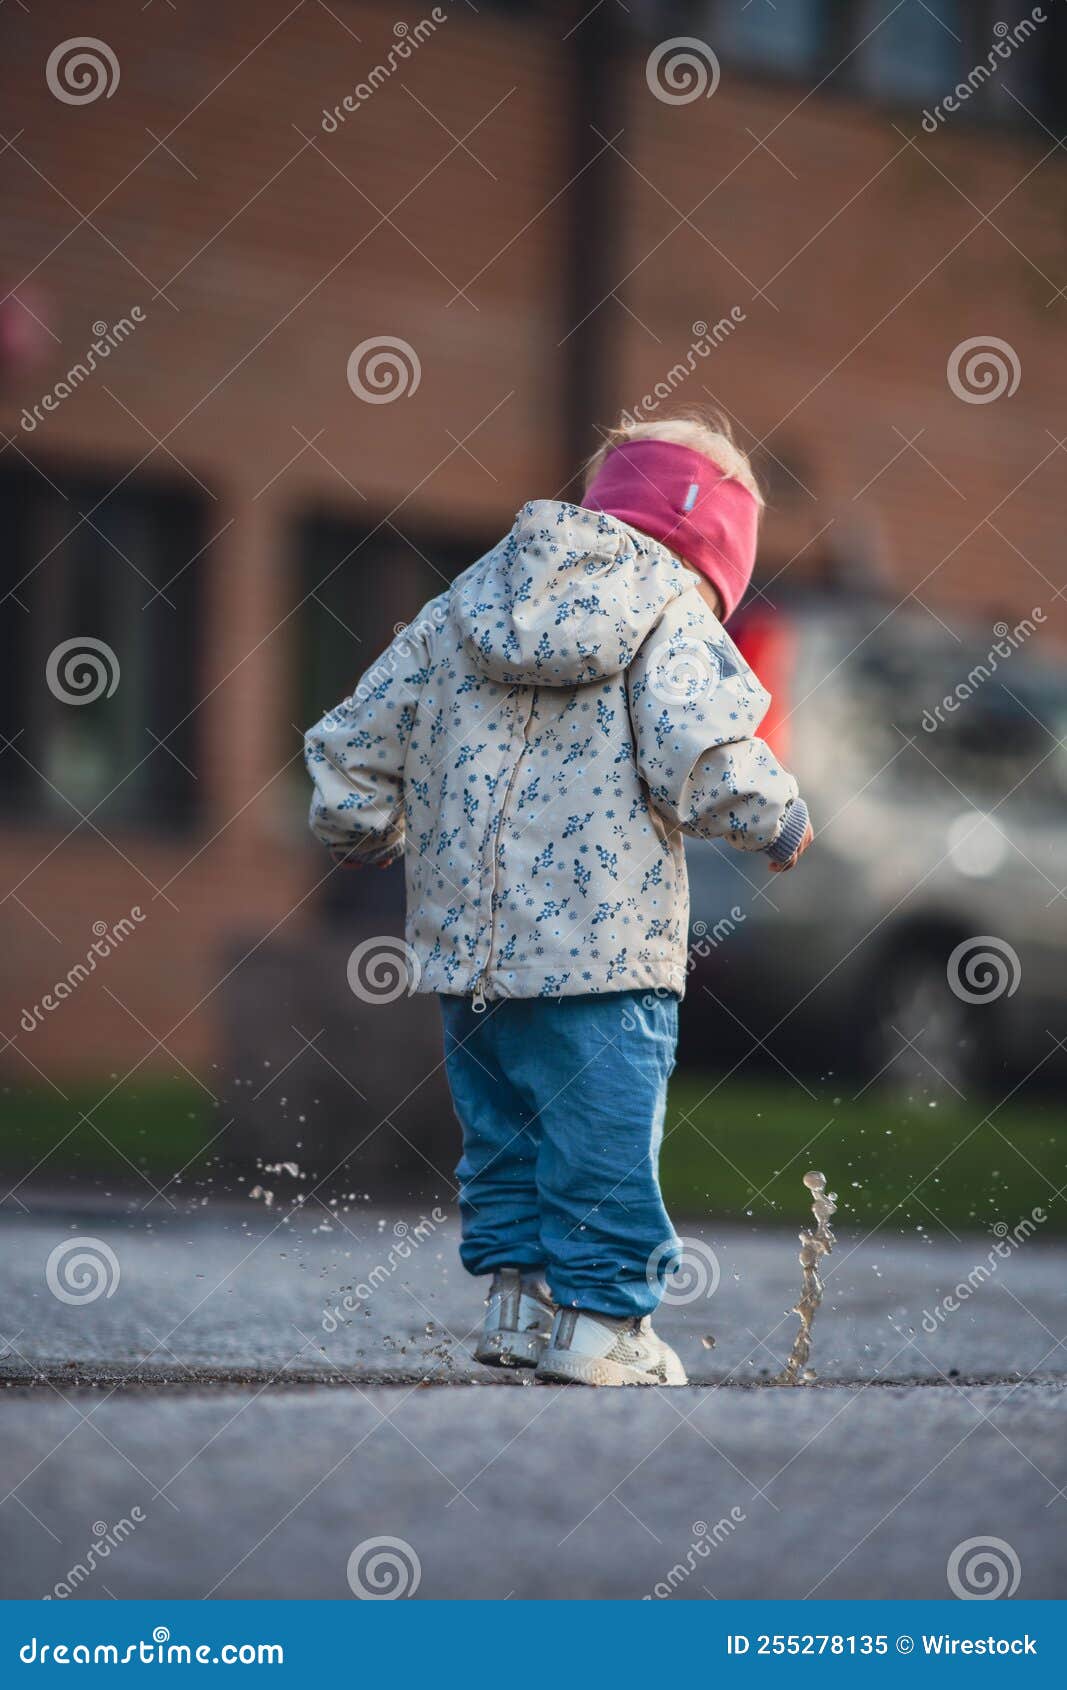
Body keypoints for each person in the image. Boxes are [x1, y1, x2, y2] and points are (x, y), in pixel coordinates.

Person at [304, 411, 813, 1386]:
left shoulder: (466, 598)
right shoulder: (669, 607)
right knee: (600, 1136)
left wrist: (363, 827)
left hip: (471, 957)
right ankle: (604, 1325)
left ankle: (515, 1298)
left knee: (502, 1132)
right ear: (708, 549)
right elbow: (700, 743)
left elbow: (354, 737)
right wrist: (774, 816)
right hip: (605, 951)